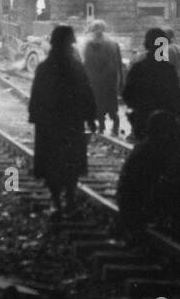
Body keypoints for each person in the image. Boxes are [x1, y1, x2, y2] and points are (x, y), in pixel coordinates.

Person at [28, 25, 97, 217]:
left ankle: (56, 200)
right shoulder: (76, 67)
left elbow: (36, 96)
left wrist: (36, 118)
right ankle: (70, 199)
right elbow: (87, 93)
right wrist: (91, 118)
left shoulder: (44, 67)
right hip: (71, 124)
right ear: (70, 44)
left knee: (51, 162)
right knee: (71, 162)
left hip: (50, 125)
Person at [115, 109, 180, 240]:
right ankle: (174, 225)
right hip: (140, 206)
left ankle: (164, 221)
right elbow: (177, 173)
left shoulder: (147, 146)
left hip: (131, 205)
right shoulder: (159, 148)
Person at [122, 28, 180, 140]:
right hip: (165, 125)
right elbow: (177, 100)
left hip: (143, 122)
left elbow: (127, 95)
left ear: (146, 45)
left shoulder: (138, 68)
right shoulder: (169, 71)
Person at [81, 20, 124, 136]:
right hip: (109, 79)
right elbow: (119, 64)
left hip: (95, 80)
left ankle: (101, 126)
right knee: (111, 104)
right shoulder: (113, 43)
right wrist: (120, 82)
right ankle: (114, 126)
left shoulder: (88, 44)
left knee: (98, 103)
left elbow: (85, 64)